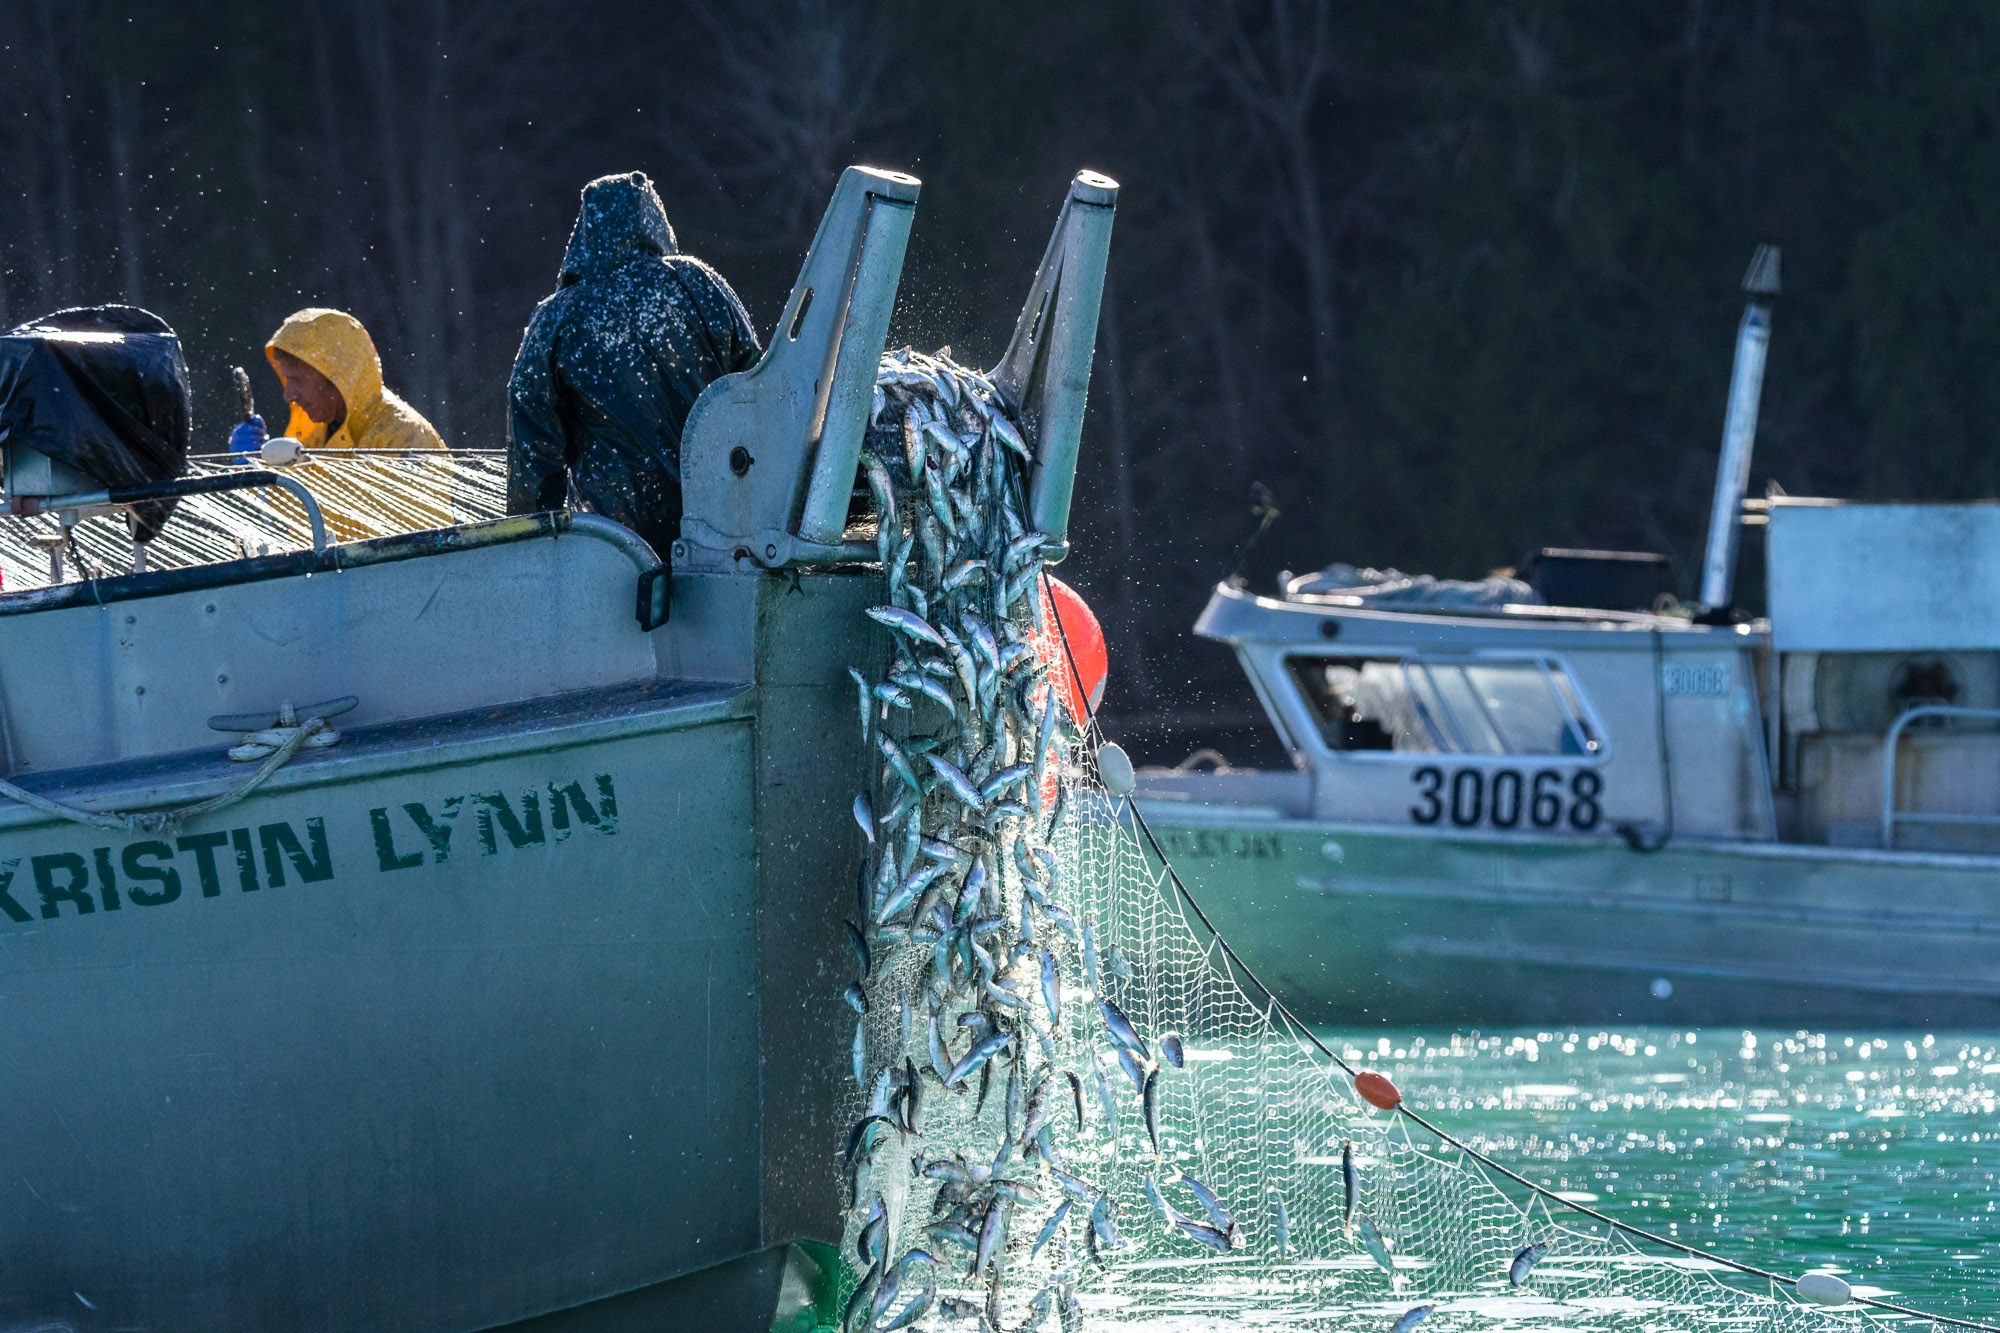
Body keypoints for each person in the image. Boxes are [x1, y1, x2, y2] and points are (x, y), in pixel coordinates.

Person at [506, 171, 761, 556]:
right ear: (655, 224)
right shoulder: (698, 284)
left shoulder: (558, 318)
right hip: (722, 533)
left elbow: (534, 453)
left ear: (584, 235)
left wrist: (529, 549)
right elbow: (759, 386)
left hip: (616, 550)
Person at [228, 308, 444, 456]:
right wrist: (258, 469)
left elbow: (415, 522)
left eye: (297, 380)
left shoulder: (405, 437)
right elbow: (287, 516)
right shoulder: (311, 438)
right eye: (286, 380)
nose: (289, 395)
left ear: (335, 376)